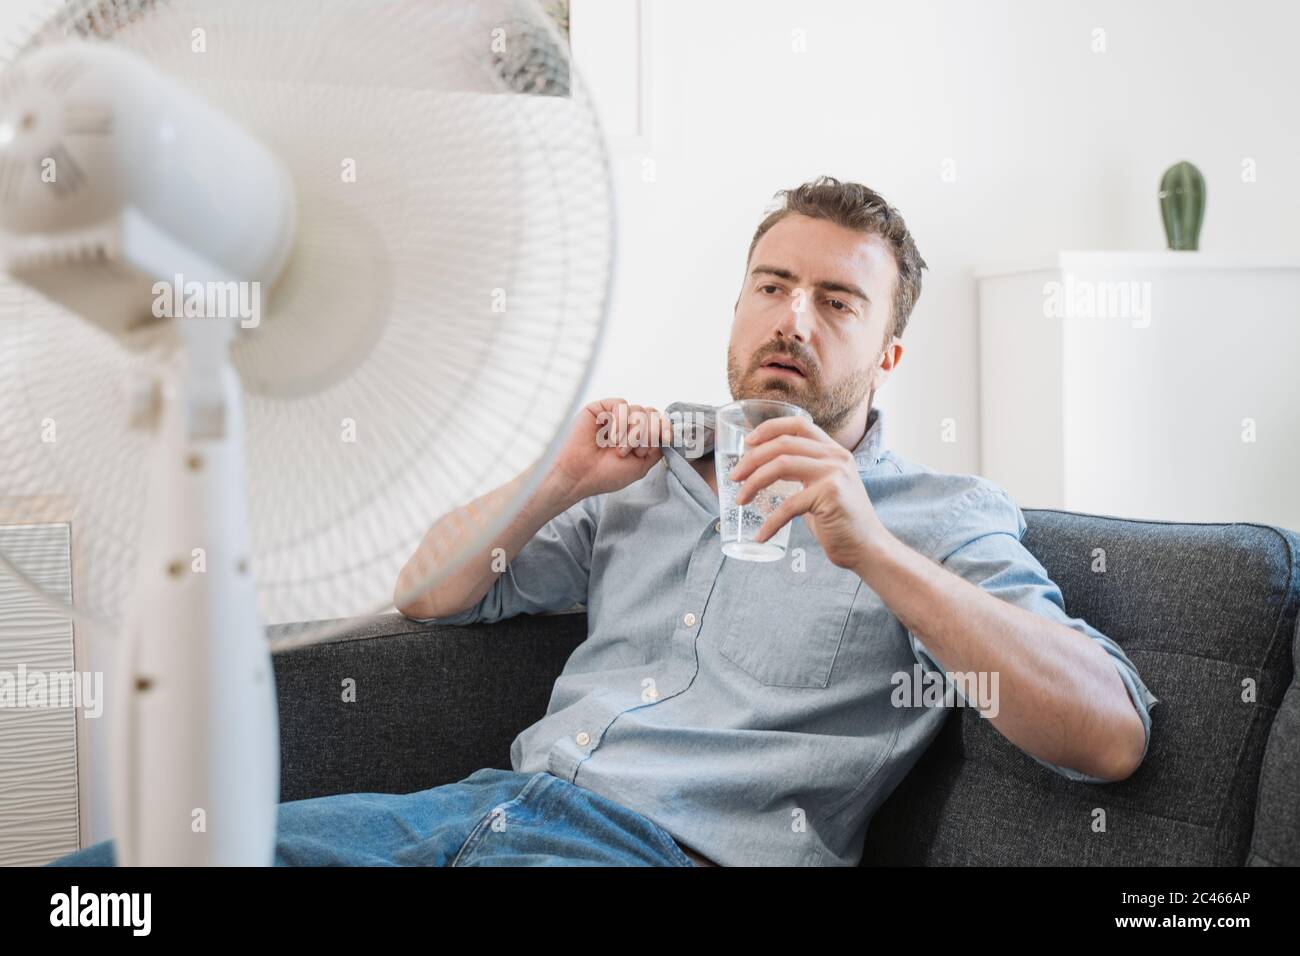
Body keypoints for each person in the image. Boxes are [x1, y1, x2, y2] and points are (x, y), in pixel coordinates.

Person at [50, 176, 1157, 868]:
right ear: (734, 309)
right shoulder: (639, 472)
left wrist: (866, 545)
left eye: (836, 301)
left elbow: (1107, 732)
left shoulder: (935, 515)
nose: (792, 319)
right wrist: (558, 476)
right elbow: (426, 590)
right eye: (770, 285)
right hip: (469, 812)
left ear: (890, 353)